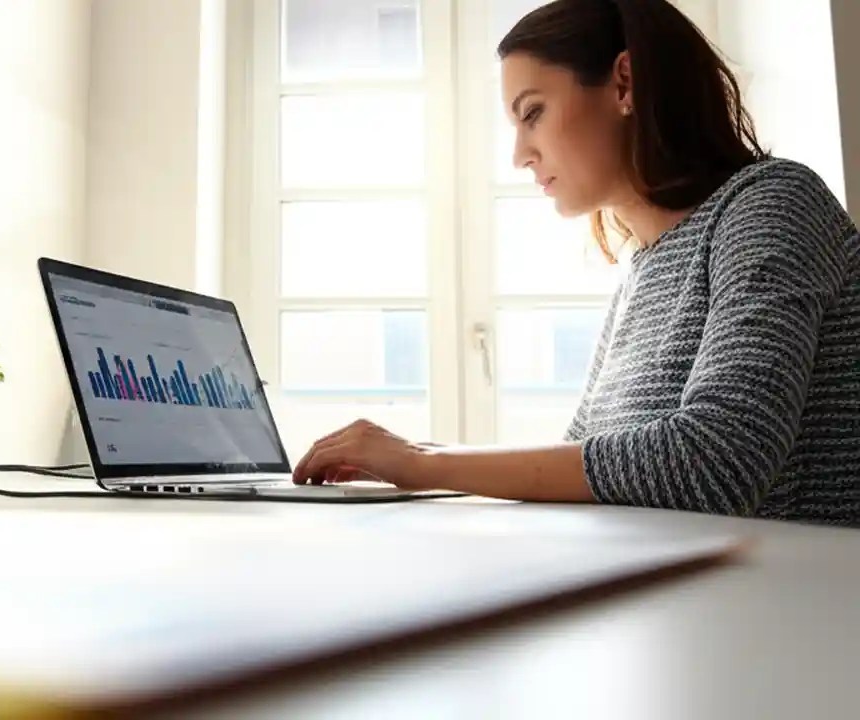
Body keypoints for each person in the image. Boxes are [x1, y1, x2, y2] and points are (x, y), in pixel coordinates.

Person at [292, 0, 860, 528]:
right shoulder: (642, 271)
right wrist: (413, 465)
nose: (519, 154)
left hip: (803, 616)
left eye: (532, 113)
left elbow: (719, 460)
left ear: (624, 82)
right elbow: (589, 465)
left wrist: (423, 462)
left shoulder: (774, 202)